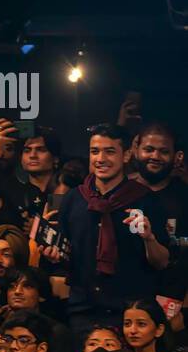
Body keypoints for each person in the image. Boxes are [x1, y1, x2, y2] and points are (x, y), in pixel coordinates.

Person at [56, 123, 169, 332]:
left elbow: (162, 262)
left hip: (129, 314)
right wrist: (53, 253)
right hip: (82, 310)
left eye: (109, 152)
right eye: (94, 151)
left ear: (126, 156)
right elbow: (65, 254)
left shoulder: (146, 201)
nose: (100, 159)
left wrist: (149, 238)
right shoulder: (74, 199)